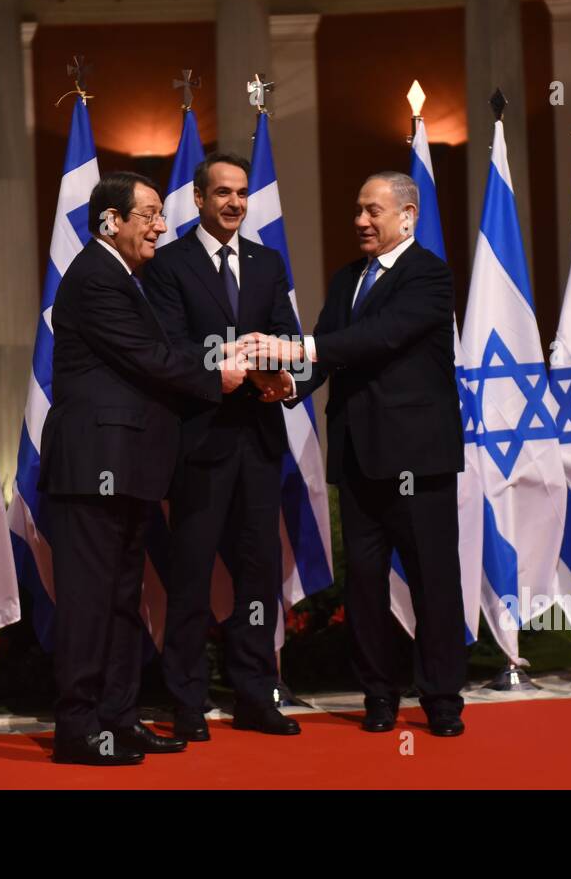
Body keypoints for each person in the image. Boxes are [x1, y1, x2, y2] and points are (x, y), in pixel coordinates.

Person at [239, 172, 468, 736]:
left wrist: (293, 346)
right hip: (359, 459)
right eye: (358, 211)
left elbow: (381, 337)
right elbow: (329, 352)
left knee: (433, 584)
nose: (361, 221)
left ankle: (442, 701)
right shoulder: (346, 280)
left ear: (407, 215)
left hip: (419, 460)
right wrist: (290, 385)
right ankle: (380, 698)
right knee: (364, 587)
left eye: (373, 211)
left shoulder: (429, 276)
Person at [39, 171, 247, 765]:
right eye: (150, 214)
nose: (162, 225)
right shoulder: (96, 277)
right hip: (94, 466)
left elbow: (162, 354)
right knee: (90, 601)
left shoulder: (128, 277)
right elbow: (150, 359)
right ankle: (78, 731)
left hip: (126, 467)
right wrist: (218, 376)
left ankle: (118, 718)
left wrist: (219, 356)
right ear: (112, 222)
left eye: (160, 214)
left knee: (123, 599)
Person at [141, 152, 302, 741]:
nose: (235, 202)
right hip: (200, 444)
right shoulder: (170, 263)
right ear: (200, 200)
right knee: (189, 578)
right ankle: (185, 699)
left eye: (242, 193)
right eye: (223, 193)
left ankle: (256, 694)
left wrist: (283, 379)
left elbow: (290, 339)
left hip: (259, 443)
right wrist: (243, 366)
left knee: (257, 579)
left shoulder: (267, 262)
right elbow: (174, 348)